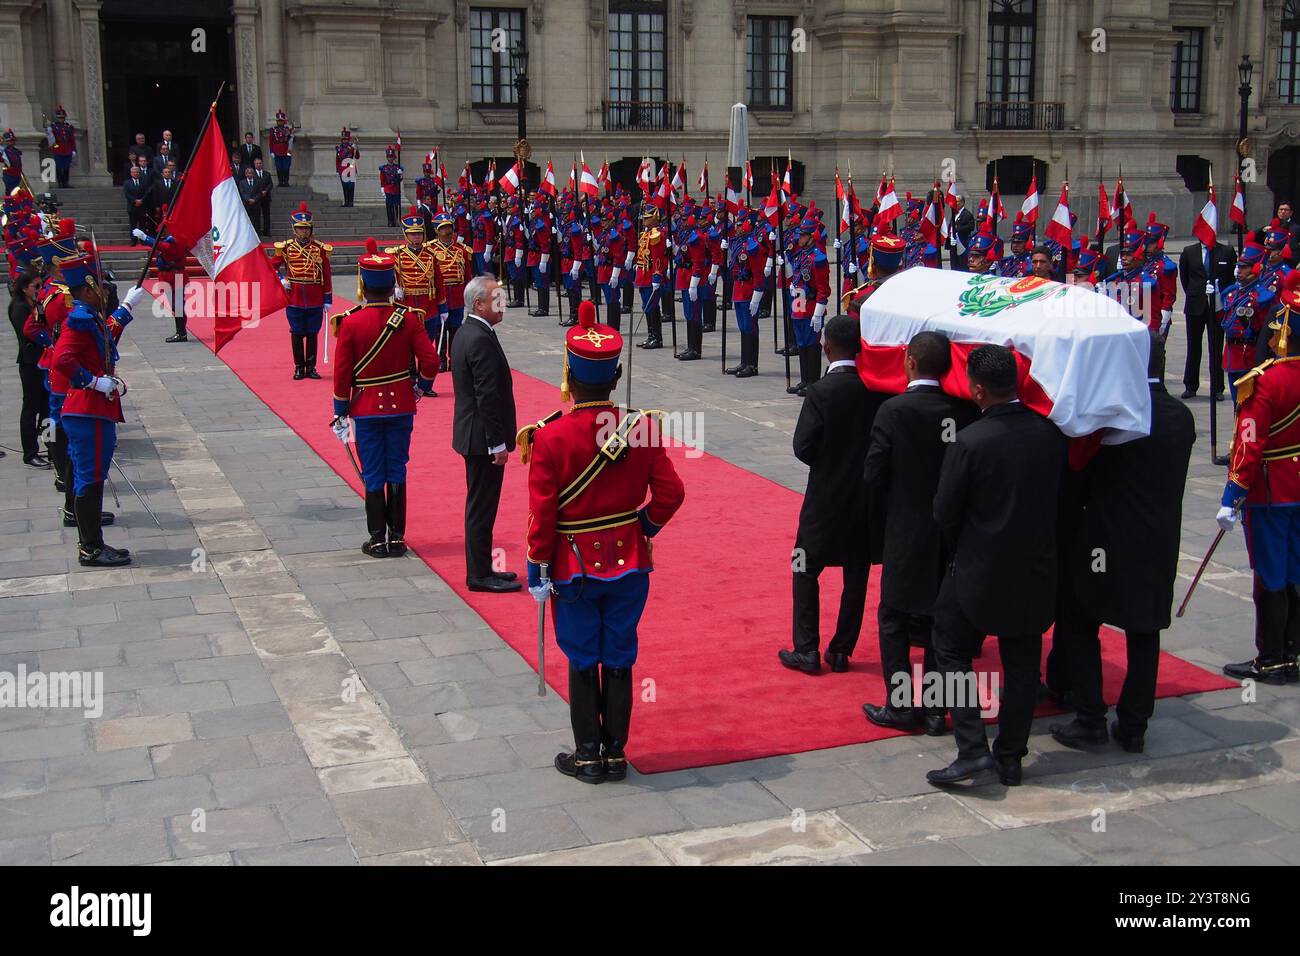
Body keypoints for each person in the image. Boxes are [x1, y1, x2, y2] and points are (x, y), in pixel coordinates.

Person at [524, 300, 685, 783]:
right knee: (619, 653)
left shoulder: (550, 438)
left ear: (568, 376)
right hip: (630, 561)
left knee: (581, 655)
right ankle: (616, 753)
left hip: (572, 567)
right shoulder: (641, 427)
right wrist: (645, 528)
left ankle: (588, 754)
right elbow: (672, 493)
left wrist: (537, 567)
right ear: (616, 377)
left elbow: (542, 515)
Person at [927, 344, 1067, 787]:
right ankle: (1010, 755)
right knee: (1023, 661)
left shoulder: (970, 440)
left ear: (979, 389)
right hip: (1035, 566)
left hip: (979, 565)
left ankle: (972, 749)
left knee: (949, 649)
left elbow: (945, 511)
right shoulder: (1049, 434)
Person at [1050, 335, 1196, 751]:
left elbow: (1078, 477)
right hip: (1157, 540)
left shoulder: (1112, 415)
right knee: (1144, 630)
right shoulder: (1180, 417)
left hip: (1102, 540)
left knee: (1080, 622)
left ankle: (1090, 716)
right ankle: (1134, 724)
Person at [863, 331, 978, 732]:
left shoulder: (893, 411)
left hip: (905, 527)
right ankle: (934, 708)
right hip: (948, 531)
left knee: (894, 615)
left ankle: (900, 704)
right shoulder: (963, 410)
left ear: (909, 361)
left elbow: (874, 474)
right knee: (936, 619)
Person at [778, 316, 885, 675]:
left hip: (825, 495)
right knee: (857, 573)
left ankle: (806, 647)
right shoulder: (877, 388)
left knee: (803, 567)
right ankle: (841, 649)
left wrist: (827, 460)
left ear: (825, 347)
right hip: (866, 496)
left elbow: (802, 446)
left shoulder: (821, 391)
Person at [330, 239, 440, 557]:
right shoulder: (408, 319)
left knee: (373, 471)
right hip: (402, 405)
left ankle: (377, 539)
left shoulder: (350, 322)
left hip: (364, 408)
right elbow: (430, 361)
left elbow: (341, 375)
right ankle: (398, 537)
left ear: (363, 284)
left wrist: (340, 410)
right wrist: (419, 387)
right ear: (393, 283)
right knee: (398, 468)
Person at [1217, 279, 1300, 686]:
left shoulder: (1264, 381)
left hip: (1270, 492)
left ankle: (1270, 659)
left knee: (1270, 573)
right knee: (1297, 570)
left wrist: (1232, 495)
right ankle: (1294, 652)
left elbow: (1248, 445)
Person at [50, 254, 148, 567]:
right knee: (89, 479)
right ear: (88, 288)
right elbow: (62, 359)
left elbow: (105, 339)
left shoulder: (88, 315)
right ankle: (90, 548)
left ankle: (93, 543)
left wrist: (127, 308)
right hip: (87, 410)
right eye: (100, 285)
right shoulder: (79, 319)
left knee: (91, 478)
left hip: (92, 411)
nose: (105, 290)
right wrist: (92, 382)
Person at [451, 276, 520, 593]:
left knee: (483, 506)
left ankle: (483, 566)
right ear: (479, 303)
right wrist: (498, 443)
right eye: (496, 298)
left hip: (476, 435)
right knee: (481, 507)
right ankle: (478, 574)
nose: (501, 303)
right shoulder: (478, 337)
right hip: (482, 439)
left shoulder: (473, 330)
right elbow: (486, 397)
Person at [269, 202, 333, 379]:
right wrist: (281, 279)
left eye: (306, 228)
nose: (304, 232)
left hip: (315, 296)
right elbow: (271, 267)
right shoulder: (286, 248)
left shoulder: (320, 248)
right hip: (295, 296)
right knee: (296, 332)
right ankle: (298, 367)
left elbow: (326, 274)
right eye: (300, 229)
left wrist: (327, 299)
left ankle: (311, 367)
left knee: (313, 333)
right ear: (294, 229)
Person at [1179, 231, 1237, 400]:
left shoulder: (1226, 251)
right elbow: (1185, 278)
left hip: (1218, 306)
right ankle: (1190, 385)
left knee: (1216, 347)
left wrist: (1221, 294)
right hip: (1195, 305)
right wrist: (1196, 293)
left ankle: (1218, 387)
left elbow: (1231, 278)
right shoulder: (1189, 251)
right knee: (1193, 347)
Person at [389, 206, 448, 369]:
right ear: (406, 235)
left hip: (428, 306)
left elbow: (439, 282)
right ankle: (410, 377)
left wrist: (443, 308)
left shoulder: (431, 255)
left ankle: (425, 380)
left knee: (426, 345)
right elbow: (390, 278)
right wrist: (393, 287)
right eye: (413, 234)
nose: (417, 237)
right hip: (406, 305)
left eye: (419, 233)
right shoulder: (397, 256)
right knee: (407, 344)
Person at [1220, 245, 1273, 406]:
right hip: (1232, 354)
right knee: (1237, 405)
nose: (1239, 271)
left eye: (1244, 268)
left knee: (1249, 403)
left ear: (1256, 268)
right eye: (1238, 267)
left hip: (1249, 354)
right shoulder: (1231, 293)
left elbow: (1264, 330)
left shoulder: (1261, 296)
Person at [785, 212, 831, 397]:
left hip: (811, 305)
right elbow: (795, 277)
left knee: (812, 344)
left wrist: (818, 312)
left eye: (803, 235)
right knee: (802, 343)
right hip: (798, 302)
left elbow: (823, 288)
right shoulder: (799, 255)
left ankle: (813, 381)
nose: (799, 238)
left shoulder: (818, 258)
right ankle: (804, 379)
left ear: (812, 236)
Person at [8, 269, 51, 468]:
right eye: (36, 287)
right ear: (24, 288)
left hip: (43, 361)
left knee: (47, 408)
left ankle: (53, 448)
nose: (39, 290)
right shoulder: (19, 307)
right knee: (31, 408)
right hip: (30, 362)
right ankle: (30, 452)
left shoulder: (35, 304)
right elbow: (28, 333)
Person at [132, 212, 189, 342]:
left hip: (174, 277)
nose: (162, 233)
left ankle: (181, 333)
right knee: (176, 305)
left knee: (177, 305)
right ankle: (181, 332)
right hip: (173, 276)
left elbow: (163, 247)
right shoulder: (174, 239)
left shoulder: (176, 241)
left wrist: (145, 237)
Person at [430, 211, 474, 370]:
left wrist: (469, 297)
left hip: (457, 295)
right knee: (440, 328)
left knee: (455, 328)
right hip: (440, 296)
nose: (447, 231)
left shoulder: (461, 250)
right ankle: (440, 359)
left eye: (449, 227)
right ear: (436, 230)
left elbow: (468, 275)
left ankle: (453, 359)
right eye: (443, 228)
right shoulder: (431, 250)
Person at [46, 106, 76, 189]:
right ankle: (60, 183)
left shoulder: (68, 127)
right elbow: (51, 139)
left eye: (62, 118)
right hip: (58, 150)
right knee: (59, 167)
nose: (61, 119)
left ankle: (66, 182)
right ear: (57, 118)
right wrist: (55, 147)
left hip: (67, 149)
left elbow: (72, 139)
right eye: (59, 118)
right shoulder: (53, 127)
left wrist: (73, 149)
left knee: (66, 167)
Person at [379, 146, 403, 228]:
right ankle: (390, 221)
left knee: (396, 205)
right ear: (387, 157)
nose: (390, 158)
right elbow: (382, 179)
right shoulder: (384, 168)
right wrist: (382, 189)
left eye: (391, 157)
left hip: (395, 188)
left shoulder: (397, 167)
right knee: (389, 206)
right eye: (389, 157)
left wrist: (400, 175)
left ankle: (396, 220)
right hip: (388, 188)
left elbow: (400, 180)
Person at [123, 166, 149, 241]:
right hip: (132, 207)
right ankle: (133, 240)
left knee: (142, 225)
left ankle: (143, 240)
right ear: (131, 173)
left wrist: (141, 200)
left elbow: (146, 193)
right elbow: (127, 194)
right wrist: (135, 201)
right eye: (134, 172)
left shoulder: (144, 182)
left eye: (137, 172)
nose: (136, 173)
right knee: (133, 225)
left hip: (142, 206)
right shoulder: (127, 183)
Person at [268, 110, 293, 186]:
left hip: (287, 150)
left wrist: (291, 135)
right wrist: (271, 151)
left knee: (286, 167)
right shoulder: (273, 130)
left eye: (281, 121)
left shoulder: (287, 130)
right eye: (279, 121)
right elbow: (271, 141)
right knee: (279, 167)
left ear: (284, 121)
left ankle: (286, 181)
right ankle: (280, 181)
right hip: (277, 150)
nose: (280, 122)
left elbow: (292, 140)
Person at [950, 195, 975, 271]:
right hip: (953, 243)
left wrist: (958, 229)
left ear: (962, 203)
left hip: (962, 243)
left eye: (956, 202)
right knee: (954, 263)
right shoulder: (955, 213)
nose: (955, 203)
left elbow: (971, 227)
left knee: (962, 264)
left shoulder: (967, 214)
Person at [336, 129, 359, 207]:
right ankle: (346, 201)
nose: (344, 141)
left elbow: (357, 156)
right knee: (345, 186)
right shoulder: (339, 148)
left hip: (351, 168)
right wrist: (351, 148)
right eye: (343, 139)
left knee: (351, 186)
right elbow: (341, 157)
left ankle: (351, 202)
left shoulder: (352, 147)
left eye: (346, 139)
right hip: (343, 169)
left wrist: (356, 148)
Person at [252, 158, 274, 236]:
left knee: (266, 215)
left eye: (260, 163)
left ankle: (266, 231)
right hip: (257, 198)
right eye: (257, 163)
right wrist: (260, 191)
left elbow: (270, 184)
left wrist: (266, 191)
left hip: (266, 197)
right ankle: (257, 232)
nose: (259, 165)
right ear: (254, 165)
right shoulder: (252, 174)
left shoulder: (267, 174)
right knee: (256, 216)